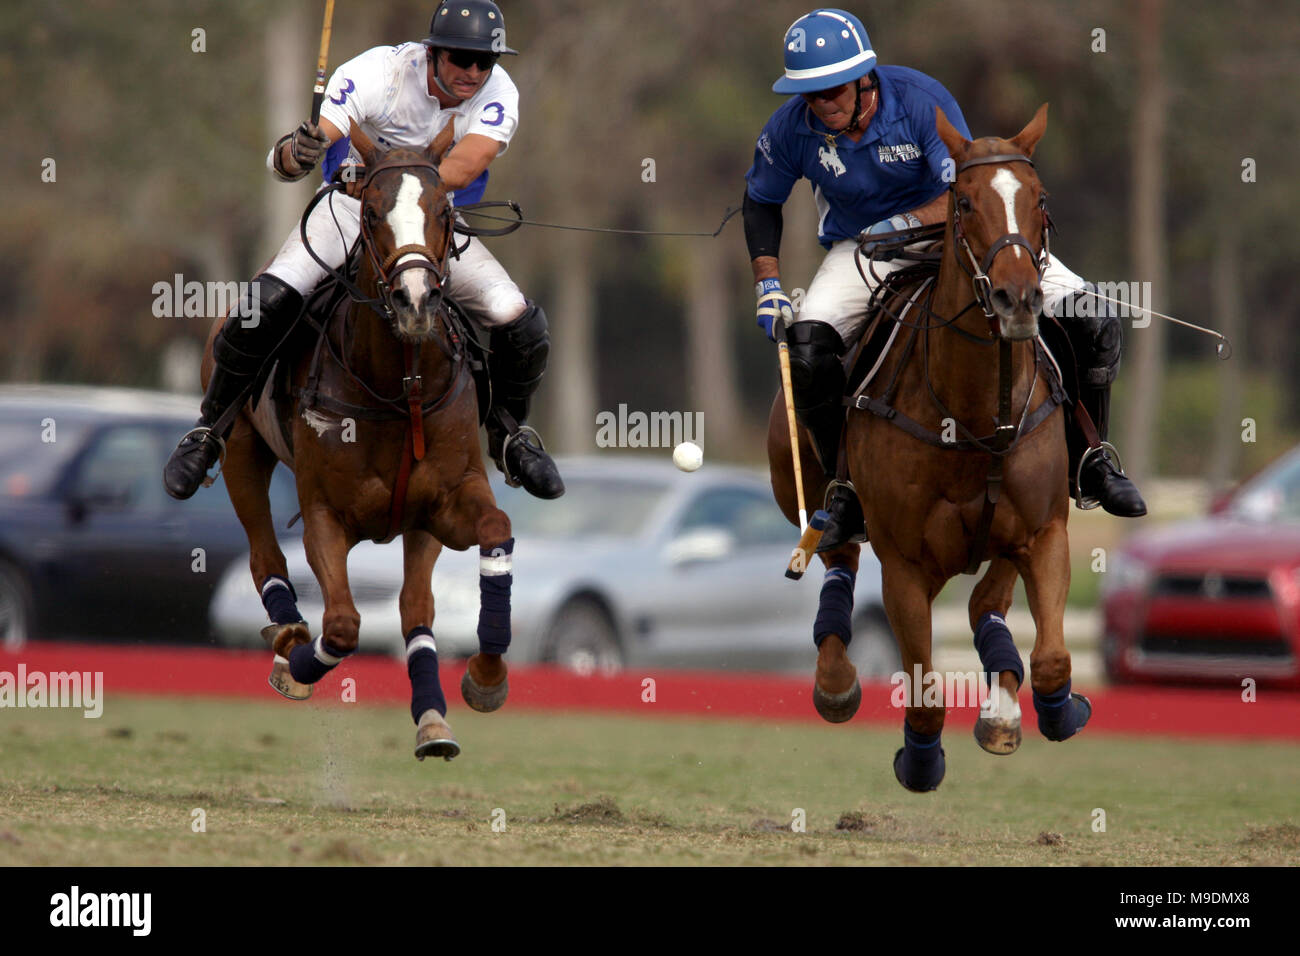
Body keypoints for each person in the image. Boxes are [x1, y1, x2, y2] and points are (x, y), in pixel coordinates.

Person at [743, 7, 1146, 551]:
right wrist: (768, 282)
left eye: (834, 90)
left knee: (1095, 320)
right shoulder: (792, 127)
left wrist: (903, 223)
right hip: (862, 251)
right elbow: (761, 201)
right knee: (808, 352)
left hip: (959, 237)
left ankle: (1091, 460)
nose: (824, 104)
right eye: (810, 94)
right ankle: (845, 491)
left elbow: (961, 191)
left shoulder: (919, 101)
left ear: (865, 79)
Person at [163, 0, 564, 502]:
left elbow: (465, 163)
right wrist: (296, 154)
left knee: (520, 319)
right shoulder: (381, 71)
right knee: (263, 304)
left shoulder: (500, 93)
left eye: (487, 61)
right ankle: (209, 431)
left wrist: (402, 195)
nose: (475, 72)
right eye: (463, 58)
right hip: (351, 211)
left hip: (427, 219)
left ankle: (508, 435)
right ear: (434, 52)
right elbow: (319, 137)